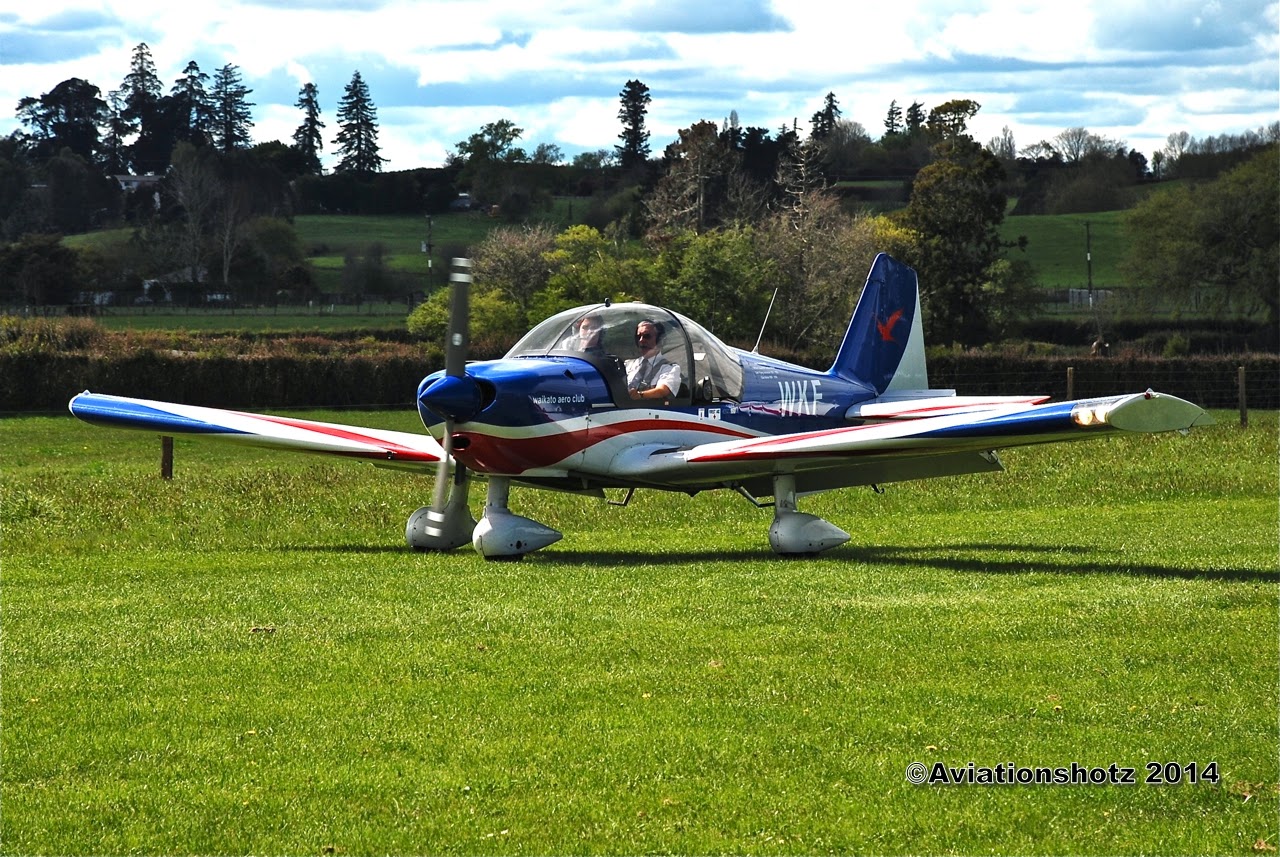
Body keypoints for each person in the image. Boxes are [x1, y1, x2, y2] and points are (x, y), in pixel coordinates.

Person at [626, 319, 681, 401]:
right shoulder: (628, 365)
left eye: (647, 336)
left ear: (660, 340)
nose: (641, 340)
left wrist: (640, 395)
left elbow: (663, 390)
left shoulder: (670, 368)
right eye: (638, 337)